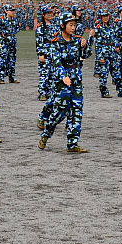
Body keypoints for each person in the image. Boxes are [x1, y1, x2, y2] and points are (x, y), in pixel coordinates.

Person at [38, 12, 94, 154]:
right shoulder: (56, 42)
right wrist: (63, 76)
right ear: (63, 26)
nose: (73, 28)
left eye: (74, 25)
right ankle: (45, 135)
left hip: (76, 80)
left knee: (76, 112)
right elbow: (56, 62)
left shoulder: (77, 40)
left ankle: (72, 143)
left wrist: (86, 45)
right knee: (59, 112)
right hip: (62, 82)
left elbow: (86, 55)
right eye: (70, 25)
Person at [0, 3, 20, 84]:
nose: (13, 12)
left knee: (12, 59)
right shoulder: (2, 19)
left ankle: (12, 77)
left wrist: (12, 33)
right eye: (11, 10)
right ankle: (1, 78)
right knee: (2, 59)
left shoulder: (14, 20)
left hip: (12, 40)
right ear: (6, 11)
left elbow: (17, 28)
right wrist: (1, 32)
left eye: (13, 10)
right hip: (4, 41)